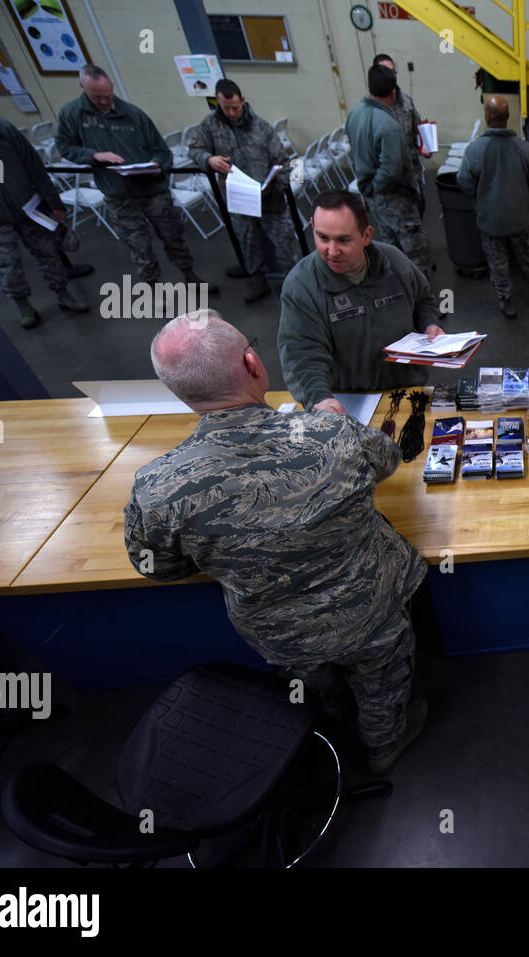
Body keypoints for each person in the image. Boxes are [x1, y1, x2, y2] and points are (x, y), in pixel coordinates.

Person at [125, 311, 428, 774]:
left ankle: (330, 731)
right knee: (383, 680)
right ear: (252, 363)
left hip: (279, 633)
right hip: (371, 608)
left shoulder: (157, 487)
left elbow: (156, 566)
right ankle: (385, 743)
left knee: (317, 683)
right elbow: (387, 460)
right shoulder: (332, 435)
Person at [278, 190, 444, 414]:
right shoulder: (301, 286)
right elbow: (302, 355)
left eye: (343, 240)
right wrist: (319, 399)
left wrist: (429, 323)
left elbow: (423, 298)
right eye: (322, 237)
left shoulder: (394, 262)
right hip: (349, 405)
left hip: (408, 392)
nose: (332, 251)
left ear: (366, 235)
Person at [55, 65, 216, 294]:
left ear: (112, 87)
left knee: (173, 236)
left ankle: (190, 276)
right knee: (138, 244)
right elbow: (64, 146)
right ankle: (153, 288)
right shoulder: (73, 114)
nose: (103, 101)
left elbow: (161, 150)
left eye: (107, 96)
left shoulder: (132, 113)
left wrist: (157, 166)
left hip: (152, 189)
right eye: (96, 97)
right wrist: (94, 156)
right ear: (83, 88)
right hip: (118, 193)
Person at [0, 72, 88, 328]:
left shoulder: (1, 128)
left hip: (29, 206)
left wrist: (54, 203)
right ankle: (24, 306)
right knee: (7, 264)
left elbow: (34, 167)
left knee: (49, 254)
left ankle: (63, 295)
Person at [186, 79, 295, 304]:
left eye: (235, 107)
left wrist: (277, 186)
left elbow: (282, 161)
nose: (232, 112)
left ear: (243, 101)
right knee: (248, 243)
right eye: (226, 108)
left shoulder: (261, 126)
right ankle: (258, 284)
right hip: (239, 199)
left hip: (268, 197)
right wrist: (209, 159)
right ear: (219, 103)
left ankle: (293, 286)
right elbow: (195, 149)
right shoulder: (210, 126)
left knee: (283, 242)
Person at [457, 95, 529, 318]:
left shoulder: (475, 151)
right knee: (528, 260)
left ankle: (506, 302)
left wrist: (482, 196)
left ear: (487, 117)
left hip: (490, 222)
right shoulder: (525, 150)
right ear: (508, 118)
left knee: (498, 265)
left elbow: (464, 183)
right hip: (521, 220)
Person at [344, 64, 430, 271]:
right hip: (394, 196)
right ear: (393, 92)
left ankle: (397, 288)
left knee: (389, 245)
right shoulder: (389, 125)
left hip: (371, 194)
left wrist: (370, 189)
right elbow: (391, 169)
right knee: (415, 249)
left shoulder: (354, 114)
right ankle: (419, 293)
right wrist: (376, 186)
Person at [372, 53, 430, 216]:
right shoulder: (371, 109)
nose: (391, 76)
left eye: (393, 72)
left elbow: (418, 127)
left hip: (413, 175)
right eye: (386, 72)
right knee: (397, 231)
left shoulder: (406, 100)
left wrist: (425, 145)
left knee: (419, 214)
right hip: (391, 185)